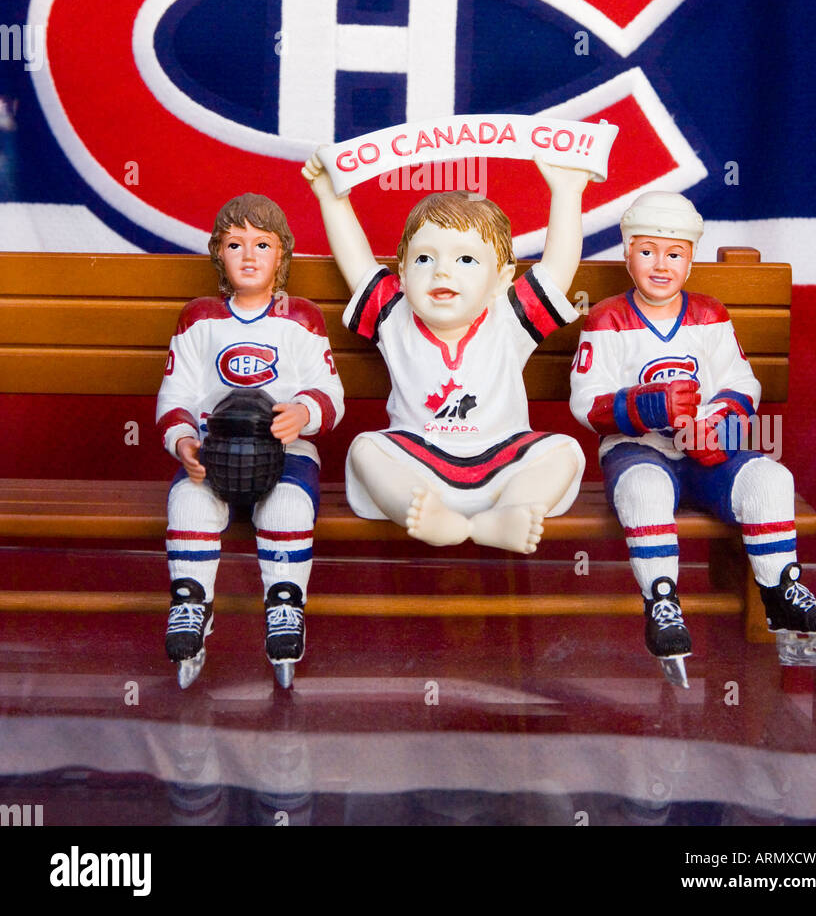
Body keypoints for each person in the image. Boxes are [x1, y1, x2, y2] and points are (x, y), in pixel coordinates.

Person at [569, 191, 816, 682]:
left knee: (769, 479)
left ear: (690, 260)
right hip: (639, 451)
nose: (659, 264)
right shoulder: (607, 318)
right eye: (647, 251)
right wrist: (646, 404)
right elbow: (587, 403)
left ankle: (781, 591)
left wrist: (717, 420)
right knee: (643, 490)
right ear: (627, 253)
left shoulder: (710, 314)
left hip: (704, 453)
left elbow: (743, 383)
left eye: (673, 253)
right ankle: (662, 600)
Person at [303, 153, 589, 554]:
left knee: (562, 452)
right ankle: (423, 514)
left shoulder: (507, 318)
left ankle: (510, 513)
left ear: (501, 279)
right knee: (367, 449)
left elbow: (557, 269)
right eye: (423, 258)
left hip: (504, 458)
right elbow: (357, 263)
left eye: (466, 259)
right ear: (401, 271)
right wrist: (332, 200)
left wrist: (566, 191)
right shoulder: (394, 314)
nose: (441, 272)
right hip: (418, 459)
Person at [156, 193, 344, 687]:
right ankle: (192, 601)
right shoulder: (199, 319)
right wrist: (182, 443)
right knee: (188, 503)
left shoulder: (301, 318)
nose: (249, 254)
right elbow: (175, 394)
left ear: (283, 253)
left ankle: (285, 604)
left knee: (285, 506)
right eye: (235, 243)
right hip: (211, 454)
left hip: (286, 453)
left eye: (263, 243)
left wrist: (303, 413)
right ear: (218, 252)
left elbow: (329, 392)